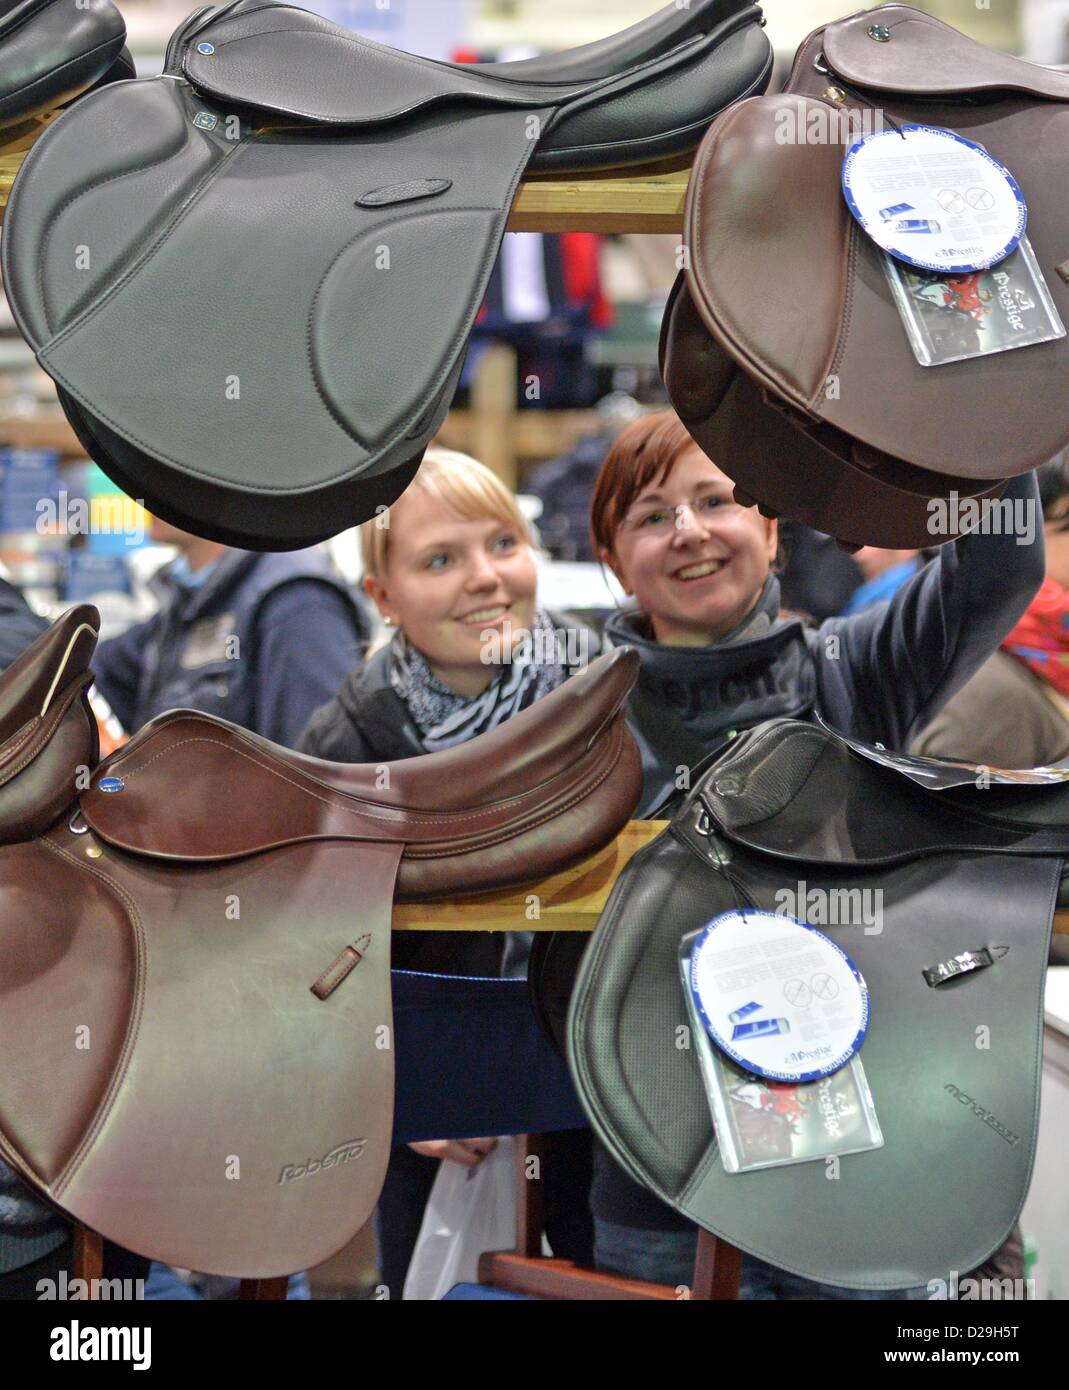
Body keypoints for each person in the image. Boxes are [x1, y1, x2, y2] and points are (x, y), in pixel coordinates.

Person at [587, 410, 1044, 1298]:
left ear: (768, 524)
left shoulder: (854, 669)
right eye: (649, 515)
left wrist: (984, 391)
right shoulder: (576, 727)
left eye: (713, 500)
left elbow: (1001, 561)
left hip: (862, 1187)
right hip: (661, 1197)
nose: (687, 531)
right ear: (611, 557)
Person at [300, 446, 594, 1297]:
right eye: (440, 559)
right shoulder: (343, 749)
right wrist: (398, 1094)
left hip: (593, 1109)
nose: (486, 579)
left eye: (501, 543)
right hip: (429, 1123)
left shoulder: (604, 698)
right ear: (382, 596)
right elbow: (312, 955)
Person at [92, 518, 370, 745]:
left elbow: (315, 779)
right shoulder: (191, 597)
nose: (144, 487)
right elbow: (91, 669)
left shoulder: (297, 601)